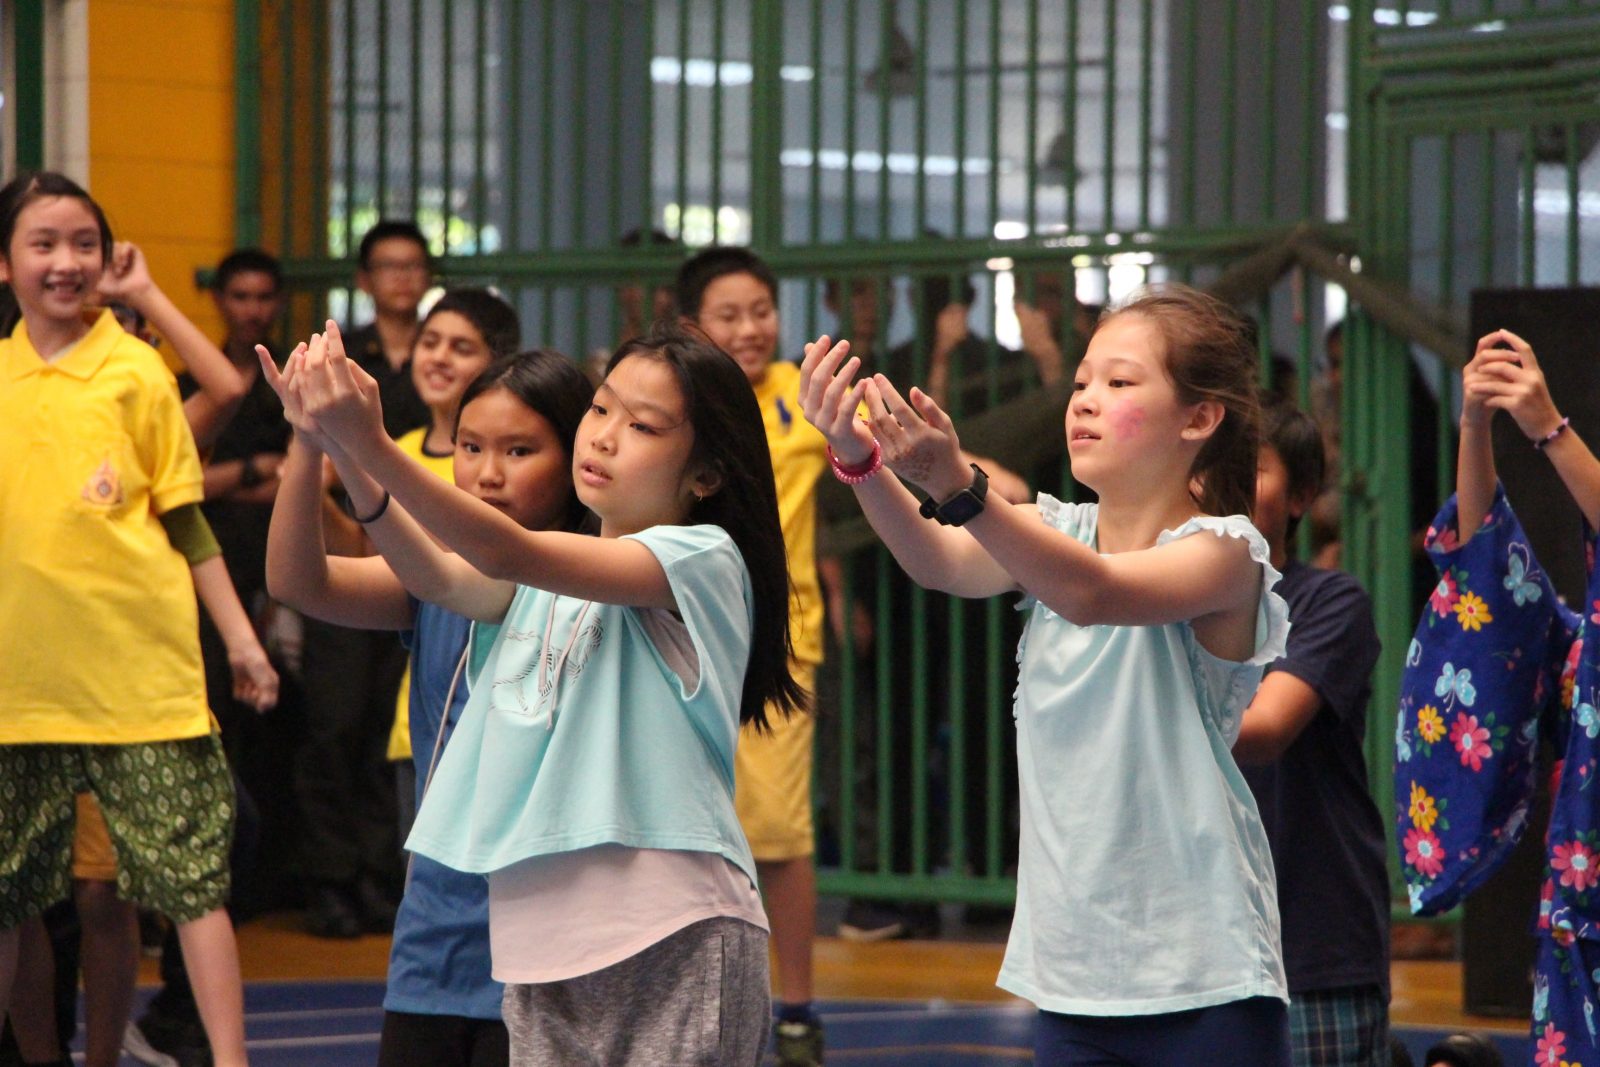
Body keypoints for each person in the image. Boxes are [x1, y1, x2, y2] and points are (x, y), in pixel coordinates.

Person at [268, 319, 799, 1065]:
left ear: (705, 474)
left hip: (669, 934)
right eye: (603, 408)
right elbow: (437, 575)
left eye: (643, 425)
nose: (606, 436)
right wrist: (332, 440)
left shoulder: (699, 558)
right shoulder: (534, 583)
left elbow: (502, 546)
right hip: (539, 949)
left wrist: (373, 445)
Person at [800, 282, 1292, 1066]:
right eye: (1082, 381)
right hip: (1071, 975)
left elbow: (1094, 593)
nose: (1086, 400)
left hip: (1204, 975)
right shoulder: (1050, 529)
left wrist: (960, 486)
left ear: (1198, 418)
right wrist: (859, 460)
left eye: (1120, 382)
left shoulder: (1226, 552)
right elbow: (938, 562)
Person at [265, 343, 592, 1067]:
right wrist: (308, 442)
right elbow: (297, 580)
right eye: (470, 446)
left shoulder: (597, 579)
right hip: (436, 934)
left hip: (553, 936)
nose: (488, 472)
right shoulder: (436, 574)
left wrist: (362, 449)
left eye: (519, 449)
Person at [0, 171, 257, 1067]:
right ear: (5, 264)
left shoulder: (137, 372)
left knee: (148, 893)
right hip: (21, 695)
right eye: (43, 244)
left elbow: (190, 509)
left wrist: (241, 638)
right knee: (13, 900)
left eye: (84, 244)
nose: (66, 262)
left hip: (135, 688)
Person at [1397, 330, 1600, 1066]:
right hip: (1582, 924)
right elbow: (1487, 562)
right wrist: (1476, 424)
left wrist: (1549, 426)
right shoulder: (1583, 649)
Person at [675, 246, 832, 1065]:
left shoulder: (805, 399)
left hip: (776, 647)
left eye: (761, 309)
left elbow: (897, 452)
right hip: (671, 639)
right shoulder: (669, 400)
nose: (749, 327)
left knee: (776, 833)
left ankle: (798, 1009)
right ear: (691, 323)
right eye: (728, 314)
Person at [1235, 403, 1390, 1066]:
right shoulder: (1159, 601)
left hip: (1311, 947)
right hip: (1196, 955)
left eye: (1252, 470)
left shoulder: (1329, 602)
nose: (1224, 484)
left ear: (1299, 495)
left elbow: (1266, 726)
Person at [292, 219, 435, 938]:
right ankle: (331, 878)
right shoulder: (347, 357)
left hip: (422, 565)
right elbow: (320, 458)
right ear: (364, 278)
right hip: (351, 552)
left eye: (414, 265)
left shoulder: (441, 358)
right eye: (388, 265)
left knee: (394, 725)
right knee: (337, 722)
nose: (403, 278)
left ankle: (384, 874)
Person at [382, 288, 522, 839]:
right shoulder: (397, 449)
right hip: (423, 709)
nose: (438, 357)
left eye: (460, 347)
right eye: (430, 342)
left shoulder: (502, 488)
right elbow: (377, 564)